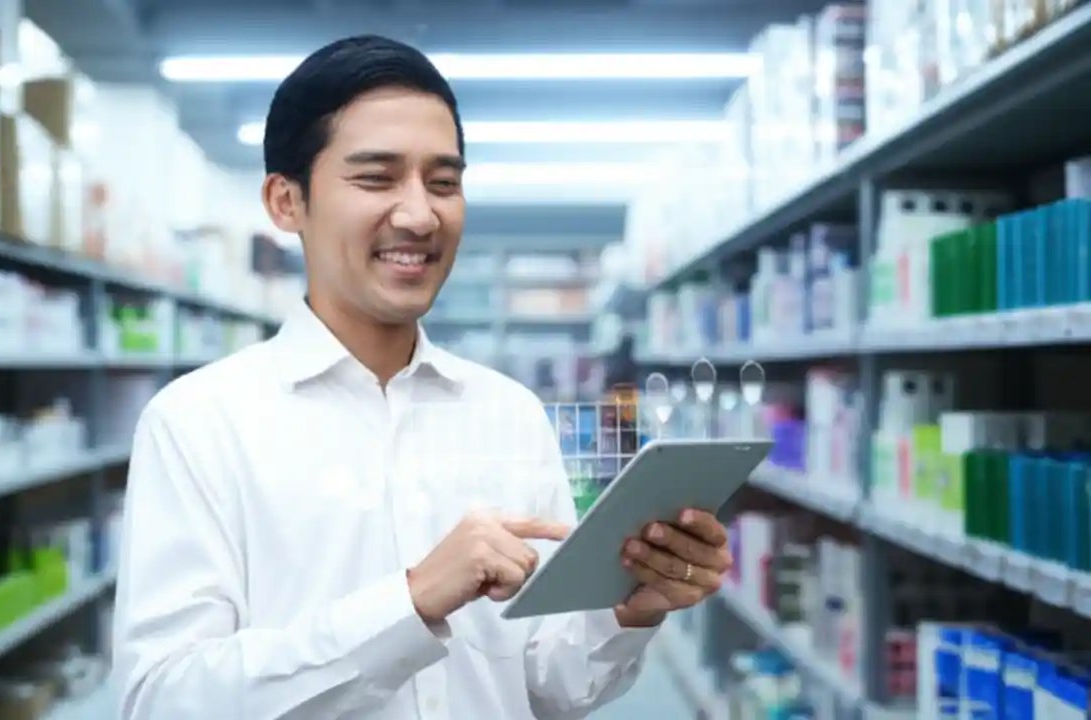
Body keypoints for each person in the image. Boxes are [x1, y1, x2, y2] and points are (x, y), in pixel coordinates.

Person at [110, 35, 732, 719]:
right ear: (286, 202)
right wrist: (408, 602)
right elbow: (162, 699)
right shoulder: (200, 423)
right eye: (376, 178)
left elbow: (551, 685)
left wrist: (626, 614)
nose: (419, 214)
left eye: (444, 182)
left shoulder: (509, 412)